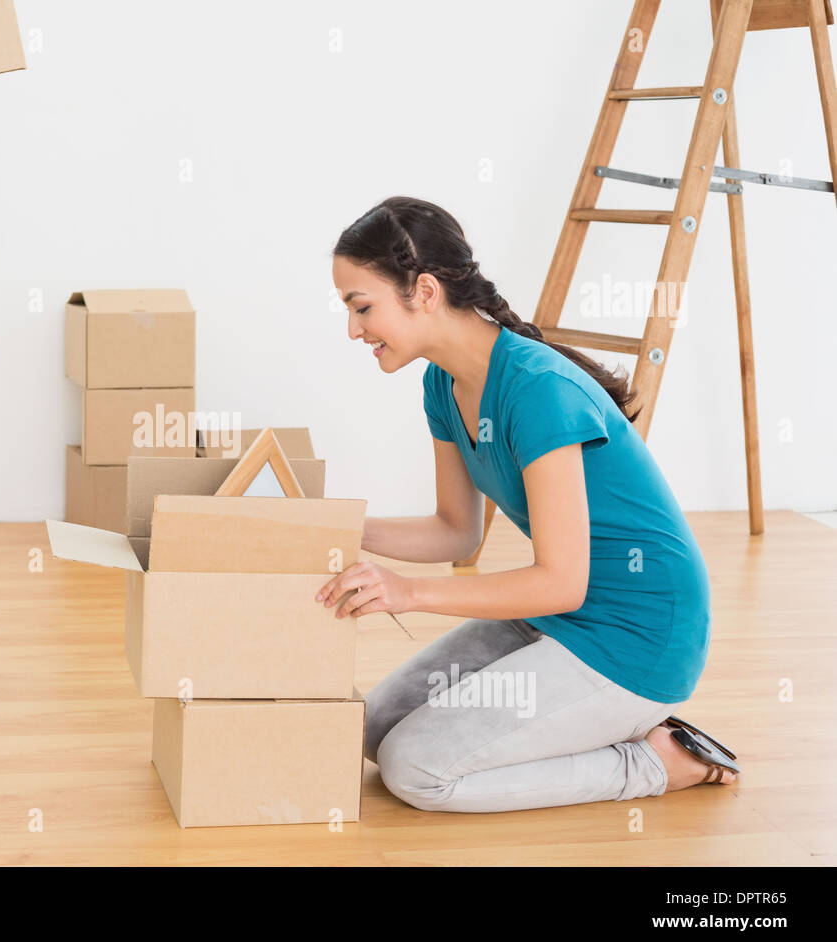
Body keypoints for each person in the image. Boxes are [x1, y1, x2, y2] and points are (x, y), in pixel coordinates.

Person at [317, 196, 739, 812]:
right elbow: (456, 533)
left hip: (637, 637)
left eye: (362, 307)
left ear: (425, 291)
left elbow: (562, 582)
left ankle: (655, 761)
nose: (354, 329)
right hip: (556, 616)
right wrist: (337, 526)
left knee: (416, 771)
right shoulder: (443, 383)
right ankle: (580, 722)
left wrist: (407, 593)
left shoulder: (538, 391)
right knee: (376, 728)